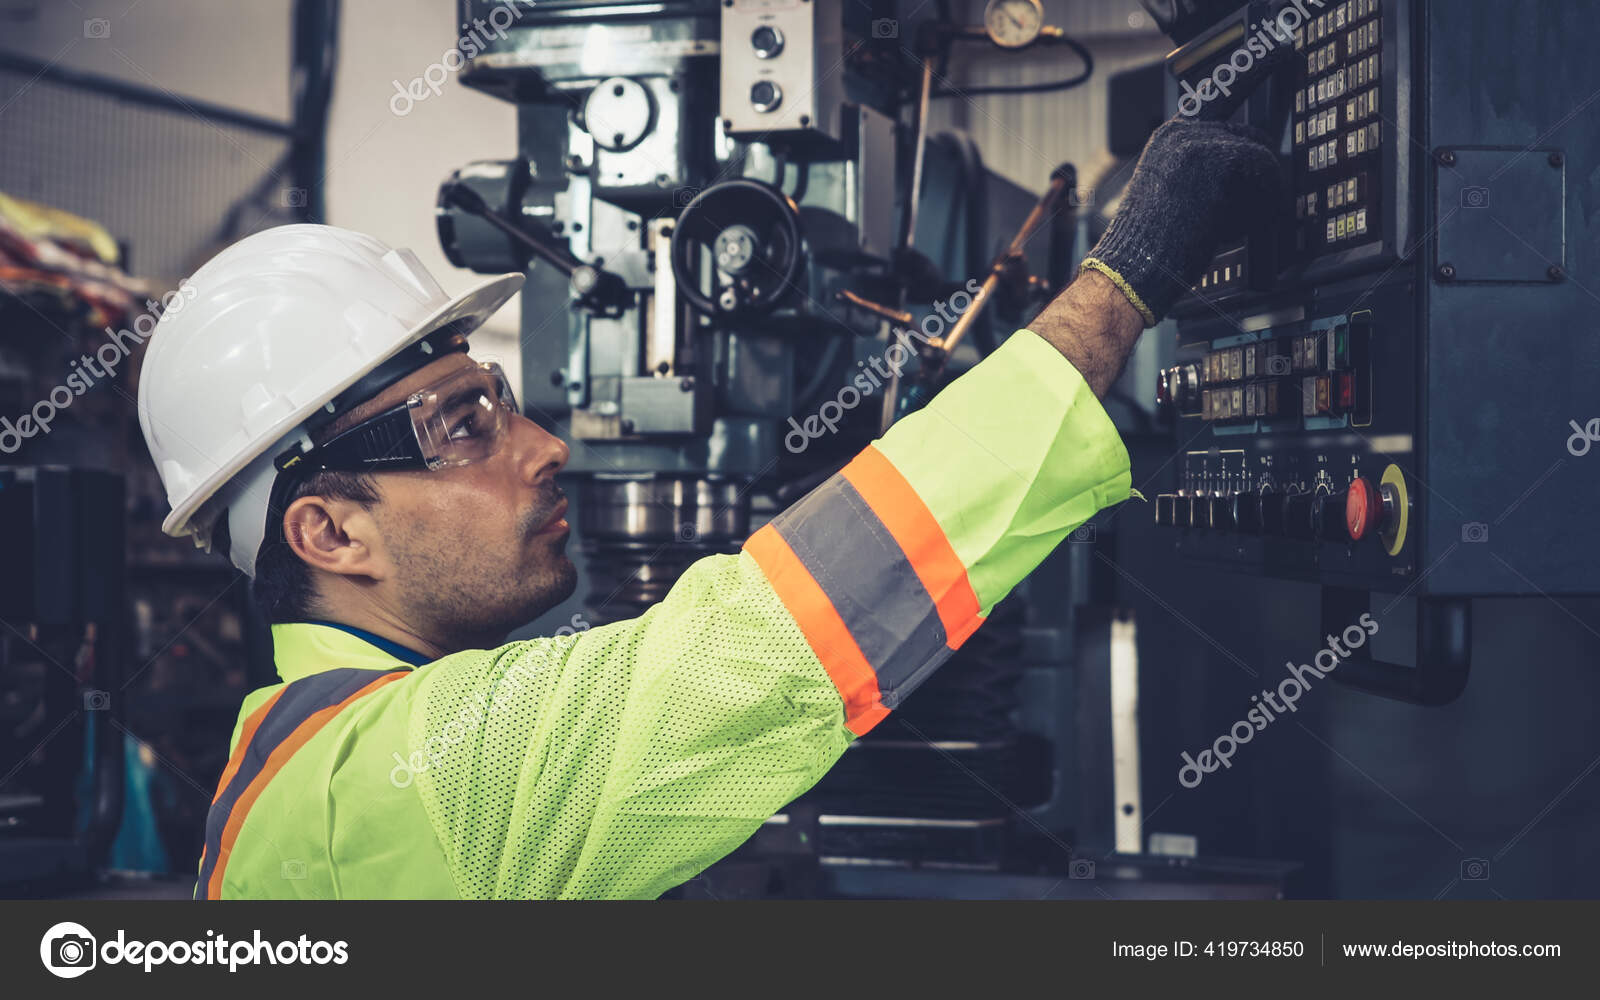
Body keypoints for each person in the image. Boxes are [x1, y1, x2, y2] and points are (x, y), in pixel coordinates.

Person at [136, 118, 1279, 898]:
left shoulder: (291, 761)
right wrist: (1121, 286)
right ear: (329, 532)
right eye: (462, 424)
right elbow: (764, 642)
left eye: (502, 397)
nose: (545, 446)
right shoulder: (411, 774)